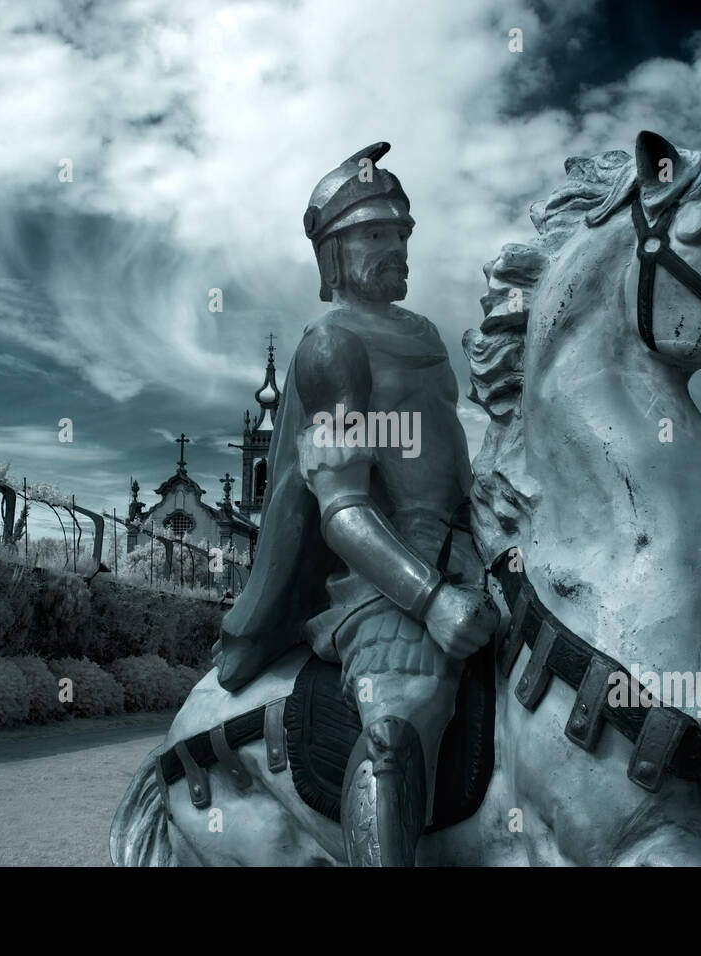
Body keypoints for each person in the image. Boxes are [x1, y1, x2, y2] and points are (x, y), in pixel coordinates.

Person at [212, 143, 499, 866]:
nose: (397, 246)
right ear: (334, 251)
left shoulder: (429, 340)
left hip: (471, 556)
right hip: (378, 586)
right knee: (395, 731)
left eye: (401, 232)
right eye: (376, 233)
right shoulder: (329, 348)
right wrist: (430, 601)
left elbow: (458, 469)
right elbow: (340, 510)